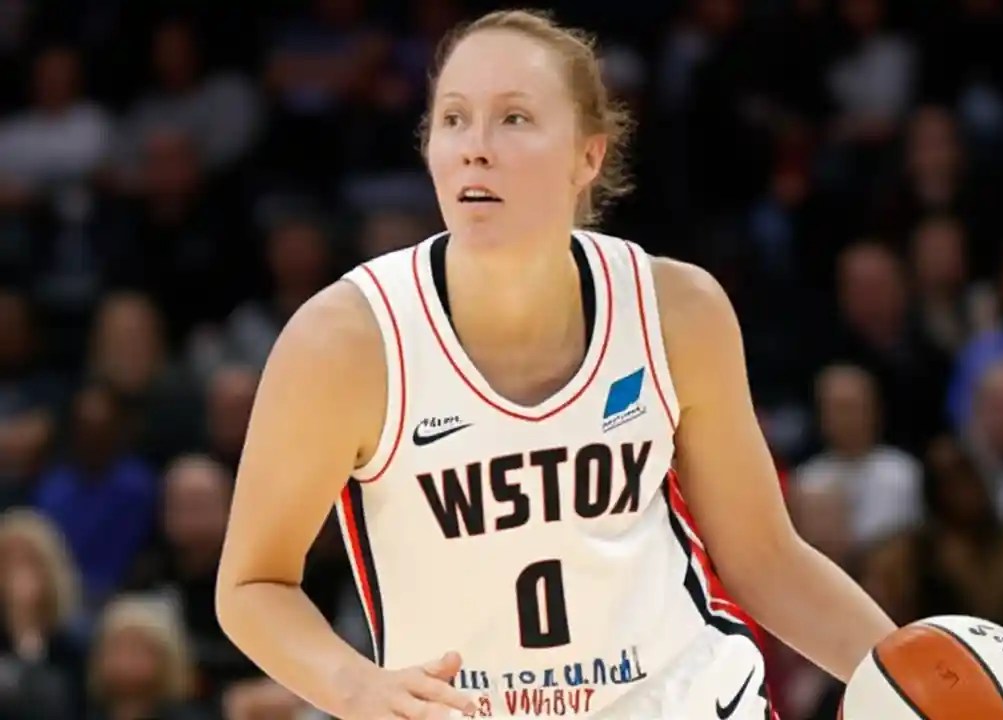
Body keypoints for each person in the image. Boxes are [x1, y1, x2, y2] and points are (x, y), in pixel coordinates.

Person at [215, 9, 895, 720]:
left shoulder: (676, 310)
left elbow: (764, 559)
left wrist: (916, 676)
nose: (475, 148)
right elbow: (252, 584)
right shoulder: (347, 341)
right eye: (453, 119)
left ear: (588, 156)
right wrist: (352, 684)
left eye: (513, 119)